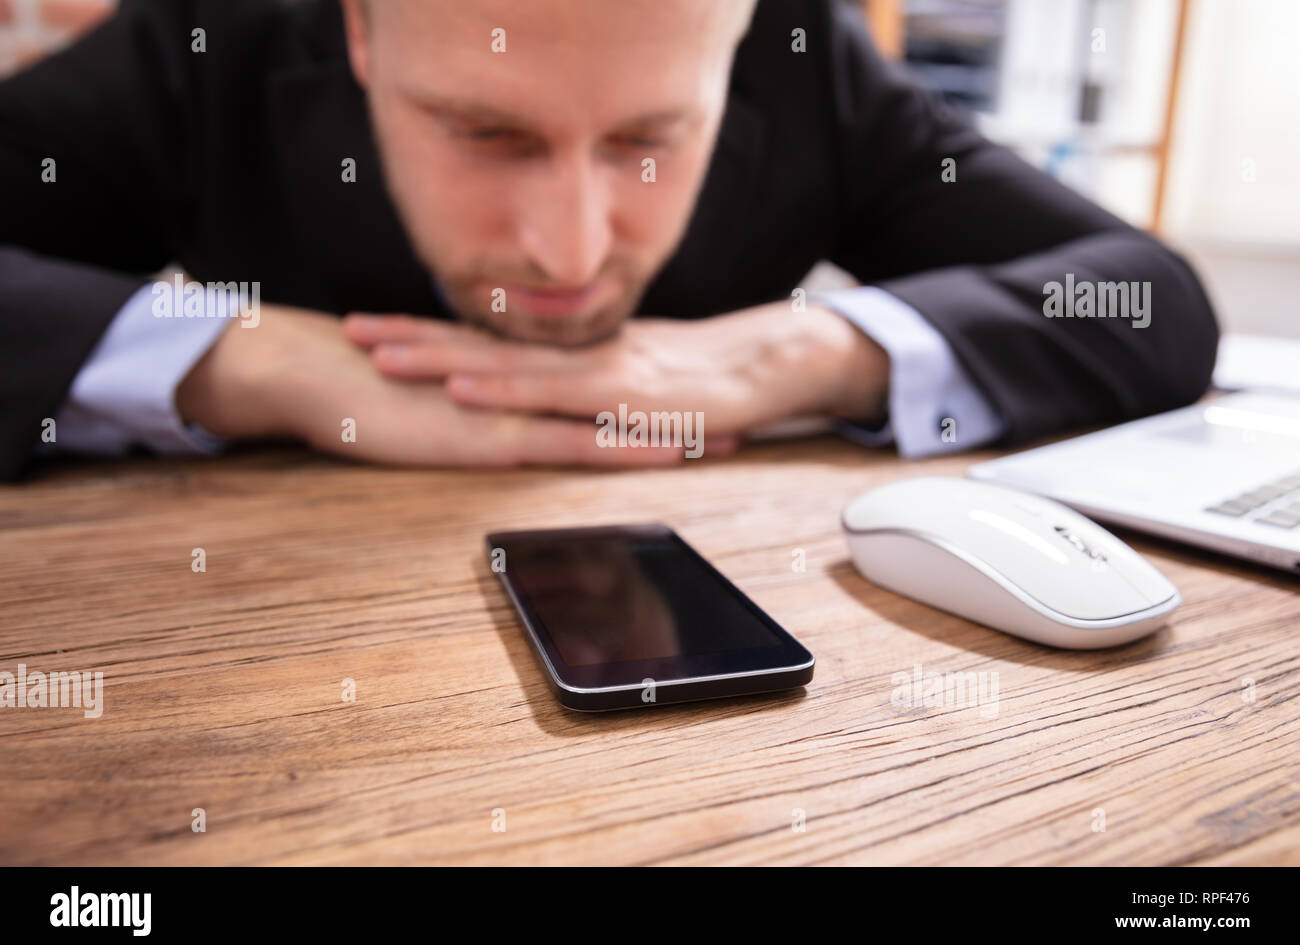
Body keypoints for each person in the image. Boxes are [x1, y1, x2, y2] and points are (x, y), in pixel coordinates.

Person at [0, 0, 1218, 480]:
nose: (568, 250)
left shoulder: (807, 61)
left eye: (650, 136)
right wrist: (247, 361)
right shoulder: (214, 40)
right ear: (360, 34)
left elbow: (1146, 296)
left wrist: (799, 354)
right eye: (482, 130)